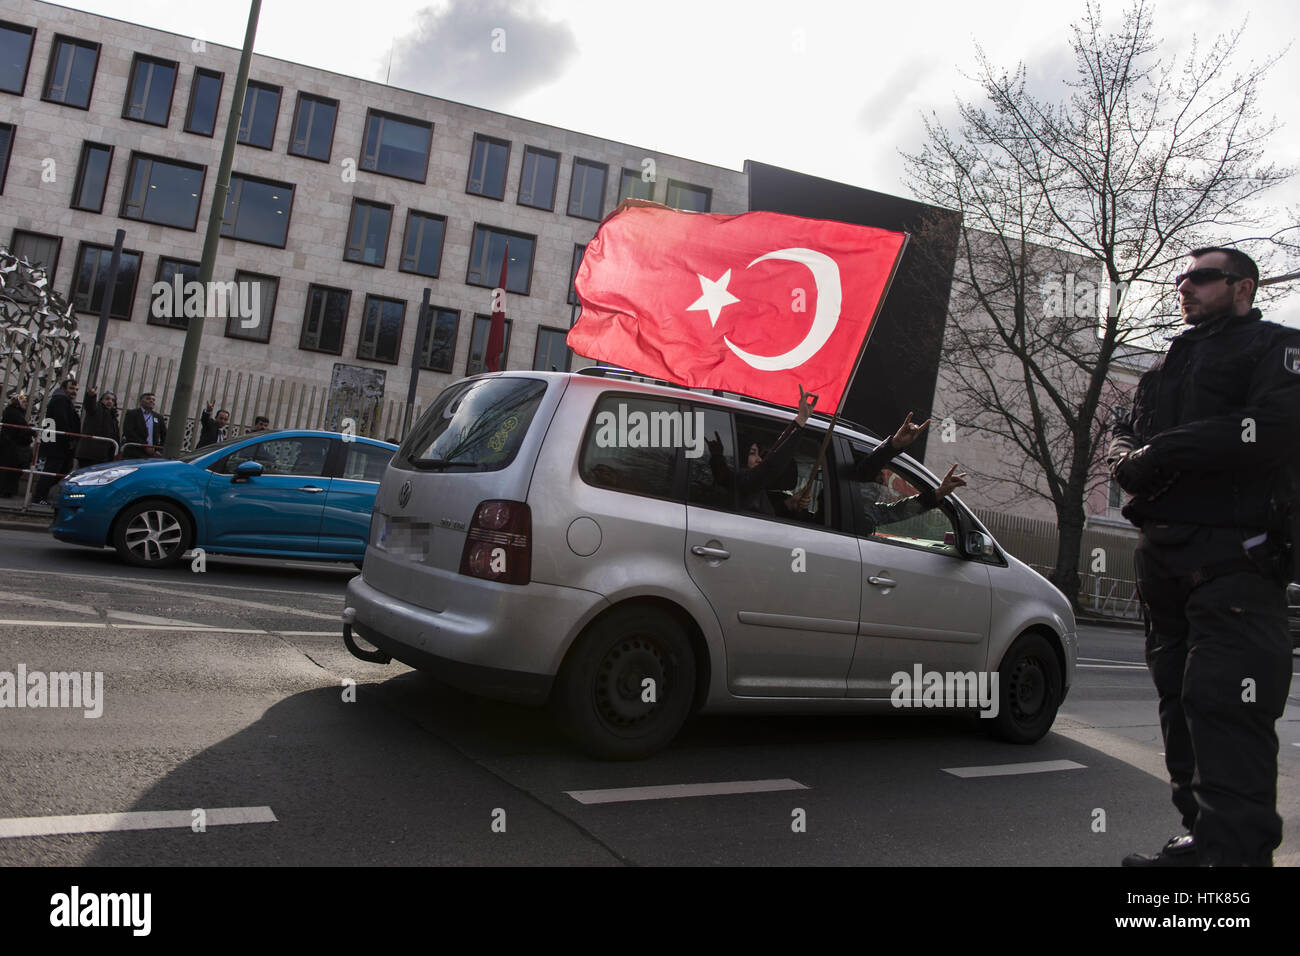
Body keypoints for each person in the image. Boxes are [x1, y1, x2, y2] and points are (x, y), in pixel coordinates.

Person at [1109, 246, 1300, 867]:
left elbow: (1274, 426)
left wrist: (1164, 451)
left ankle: (1235, 871)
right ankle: (1202, 844)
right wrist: (1128, 457)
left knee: (1226, 708)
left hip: (1235, 563)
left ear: (1244, 286)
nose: (1183, 286)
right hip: (1162, 563)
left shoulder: (1276, 347)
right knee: (1180, 709)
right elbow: (1122, 432)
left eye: (1200, 277)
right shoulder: (1166, 364)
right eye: (1180, 278)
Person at [33, 377, 80, 503]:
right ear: (64, 389)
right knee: (53, 471)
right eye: (71, 388)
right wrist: (69, 438)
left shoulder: (64, 401)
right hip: (58, 443)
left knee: (61, 469)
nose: (74, 391)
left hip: (59, 442)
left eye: (76, 389)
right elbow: (61, 421)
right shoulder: (61, 400)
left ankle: (39, 494)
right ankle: (38, 496)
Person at [76, 388, 121, 468]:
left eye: (112, 400)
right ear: (101, 400)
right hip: (90, 454)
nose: (110, 401)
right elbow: (90, 405)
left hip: (104, 455)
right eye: (107, 399)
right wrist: (91, 396)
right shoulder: (97, 409)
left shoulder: (113, 416)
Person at [0, 391, 32, 497]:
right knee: (10, 470)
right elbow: (22, 427)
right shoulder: (14, 413)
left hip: (11, 446)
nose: (25, 404)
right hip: (11, 446)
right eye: (23, 402)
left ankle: (7, 490)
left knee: (11, 470)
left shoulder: (13, 412)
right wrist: (32, 432)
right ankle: (6, 491)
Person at [122, 392, 167, 458]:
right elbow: (129, 432)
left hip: (152, 453)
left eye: (153, 400)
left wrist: (159, 450)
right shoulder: (132, 414)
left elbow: (164, 435)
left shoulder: (158, 417)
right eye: (148, 399)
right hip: (134, 450)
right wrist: (144, 446)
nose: (151, 401)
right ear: (141, 401)